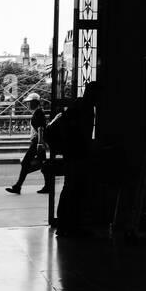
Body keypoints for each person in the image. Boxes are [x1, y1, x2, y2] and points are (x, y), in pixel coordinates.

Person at [47, 82, 99, 235]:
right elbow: (83, 133)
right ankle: (71, 224)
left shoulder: (77, 105)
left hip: (70, 152)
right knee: (75, 188)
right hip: (77, 153)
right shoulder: (86, 109)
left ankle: (65, 223)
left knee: (69, 187)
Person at [6, 92, 50, 194]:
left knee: (26, 162)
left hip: (37, 142)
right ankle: (47, 186)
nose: (28, 104)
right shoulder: (37, 112)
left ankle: (18, 186)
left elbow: (40, 129)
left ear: (35, 102)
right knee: (43, 164)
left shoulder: (38, 113)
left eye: (30, 102)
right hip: (38, 142)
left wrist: (39, 143)